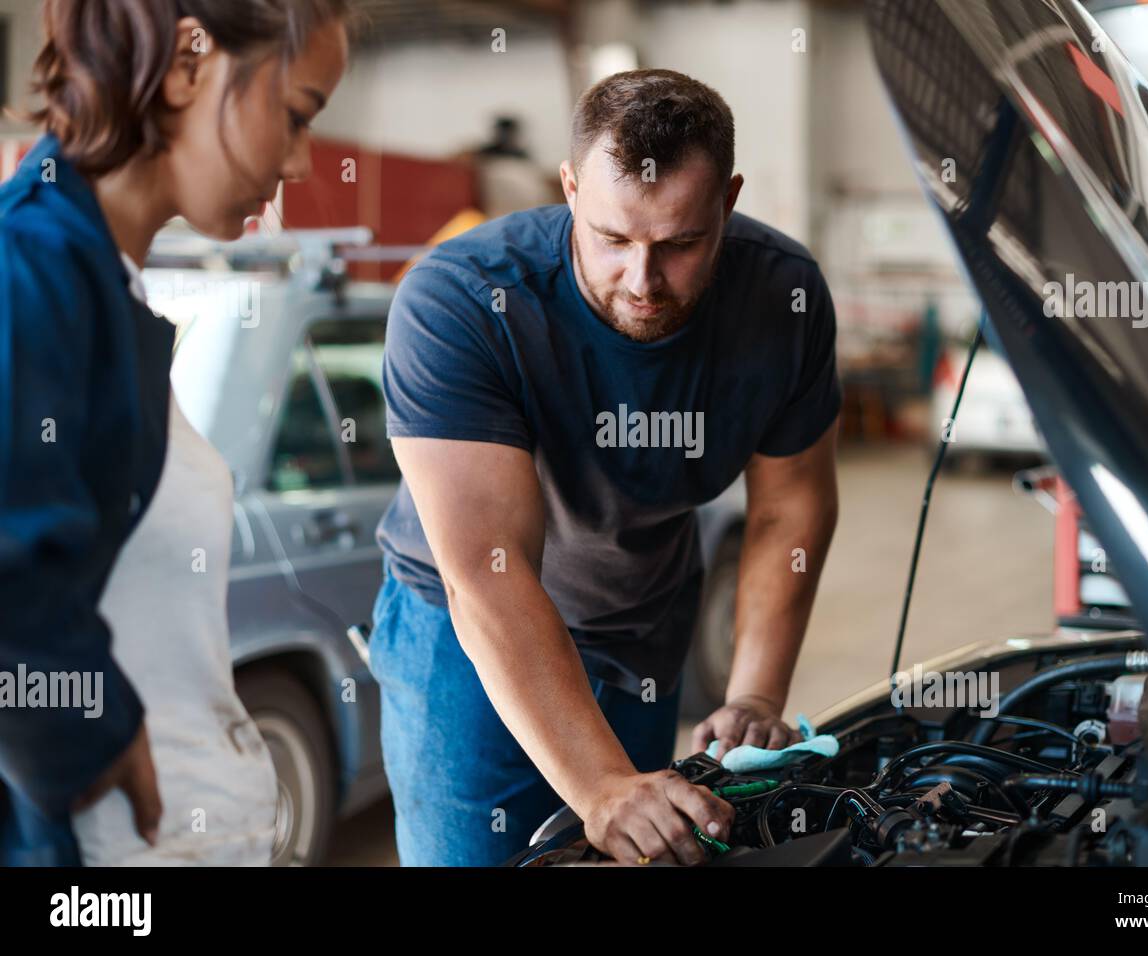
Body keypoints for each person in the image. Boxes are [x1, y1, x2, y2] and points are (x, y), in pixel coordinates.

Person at [373, 68, 842, 866]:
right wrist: (598, 785)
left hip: (640, 624)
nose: (642, 279)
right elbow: (488, 569)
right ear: (568, 188)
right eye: (613, 238)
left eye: (681, 244)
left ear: (727, 203)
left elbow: (788, 508)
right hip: (464, 642)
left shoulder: (783, 298)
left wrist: (756, 694)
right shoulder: (461, 301)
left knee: (651, 849)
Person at [0, 0, 350, 866]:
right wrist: (91, 732)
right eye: (297, 113)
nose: (300, 160)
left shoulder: (102, 283)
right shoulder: (31, 271)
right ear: (190, 61)